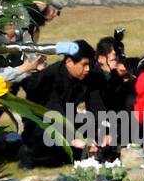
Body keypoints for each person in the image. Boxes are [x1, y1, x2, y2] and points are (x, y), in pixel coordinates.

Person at [18, 39, 95, 169]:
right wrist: (73, 138)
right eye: (84, 64)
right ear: (69, 62)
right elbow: (54, 112)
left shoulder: (83, 77)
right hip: (41, 123)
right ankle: (28, 153)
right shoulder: (50, 78)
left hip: (66, 119)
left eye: (90, 65)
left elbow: (93, 104)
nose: (88, 69)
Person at [86, 35, 136, 161]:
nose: (118, 63)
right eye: (114, 59)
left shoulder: (119, 75)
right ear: (102, 58)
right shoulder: (92, 77)